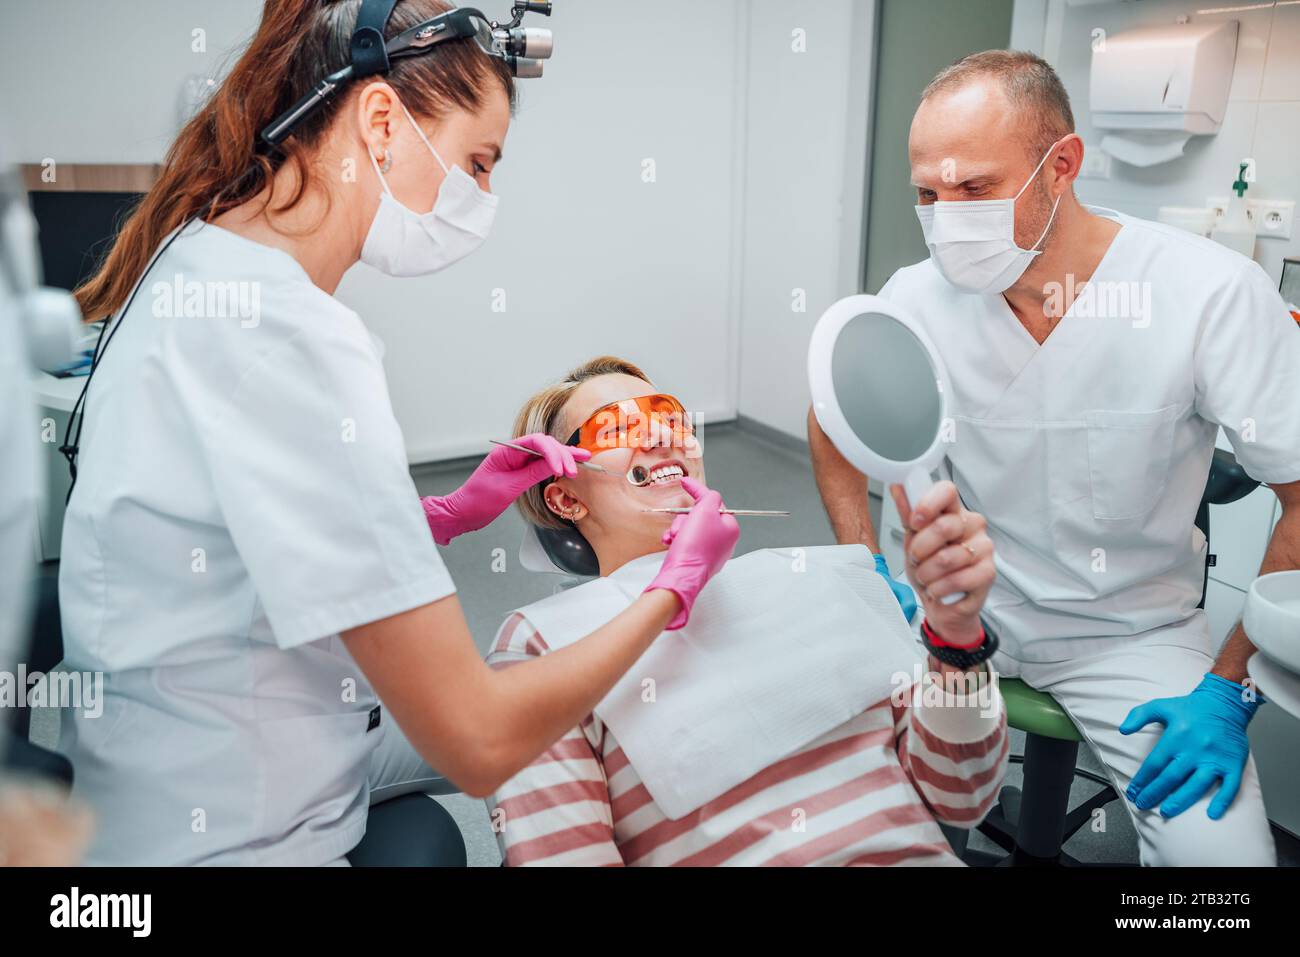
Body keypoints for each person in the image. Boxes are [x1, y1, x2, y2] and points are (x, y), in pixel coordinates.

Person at [55, 0, 736, 865]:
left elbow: (273, 530)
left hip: (200, 733)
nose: (482, 199)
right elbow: (477, 740)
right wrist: (670, 591)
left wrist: (449, 513)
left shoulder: (206, 263)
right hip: (224, 818)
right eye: (477, 163)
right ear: (381, 119)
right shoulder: (288, 338)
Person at [808, 51, 1300, 866]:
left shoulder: (1207, 293)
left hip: (1127, 633)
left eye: (973, 188)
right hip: (943, 616)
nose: (944, 218)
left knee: (1226, 867)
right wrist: (867, 568)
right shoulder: (914, 297)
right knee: (862, 833)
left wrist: (1228, 685)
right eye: (927, 194)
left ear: (1061, 165)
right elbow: (832, 419)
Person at [485, 356, 1007, 866]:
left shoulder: (819, 578)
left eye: (668, 416)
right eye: (619, 427)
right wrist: (671, 590)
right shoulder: (542, 647)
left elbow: (962, 793)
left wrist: (956, 636)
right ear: (566, 501)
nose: (661, 434)